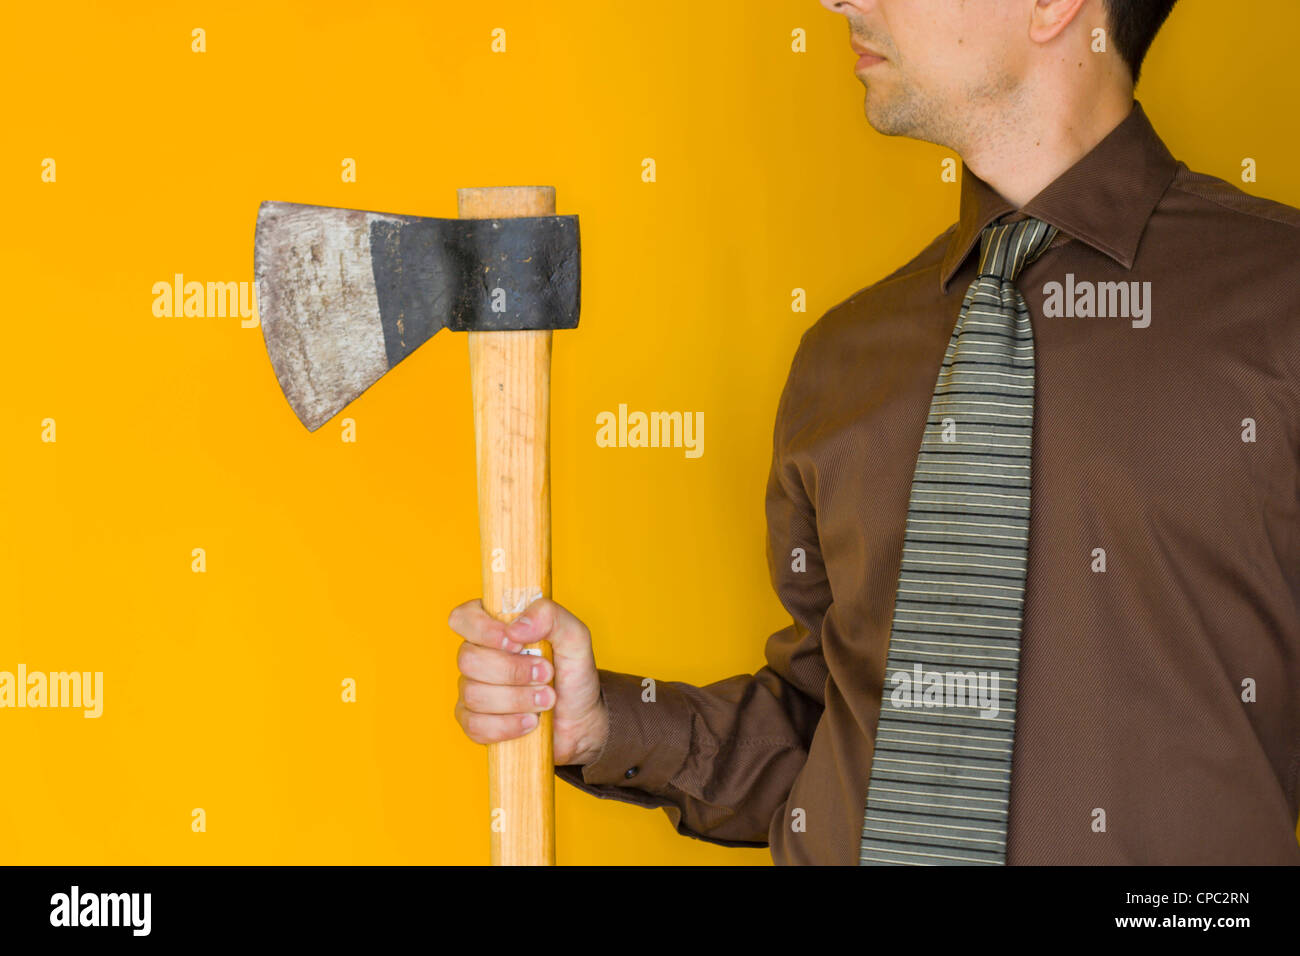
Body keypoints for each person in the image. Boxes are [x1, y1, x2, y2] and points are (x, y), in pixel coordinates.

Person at [447, 0, 1300, 864]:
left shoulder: (1283, 309)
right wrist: (605, 721)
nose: (838, 0)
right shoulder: (843, 360)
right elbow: (835, 732)